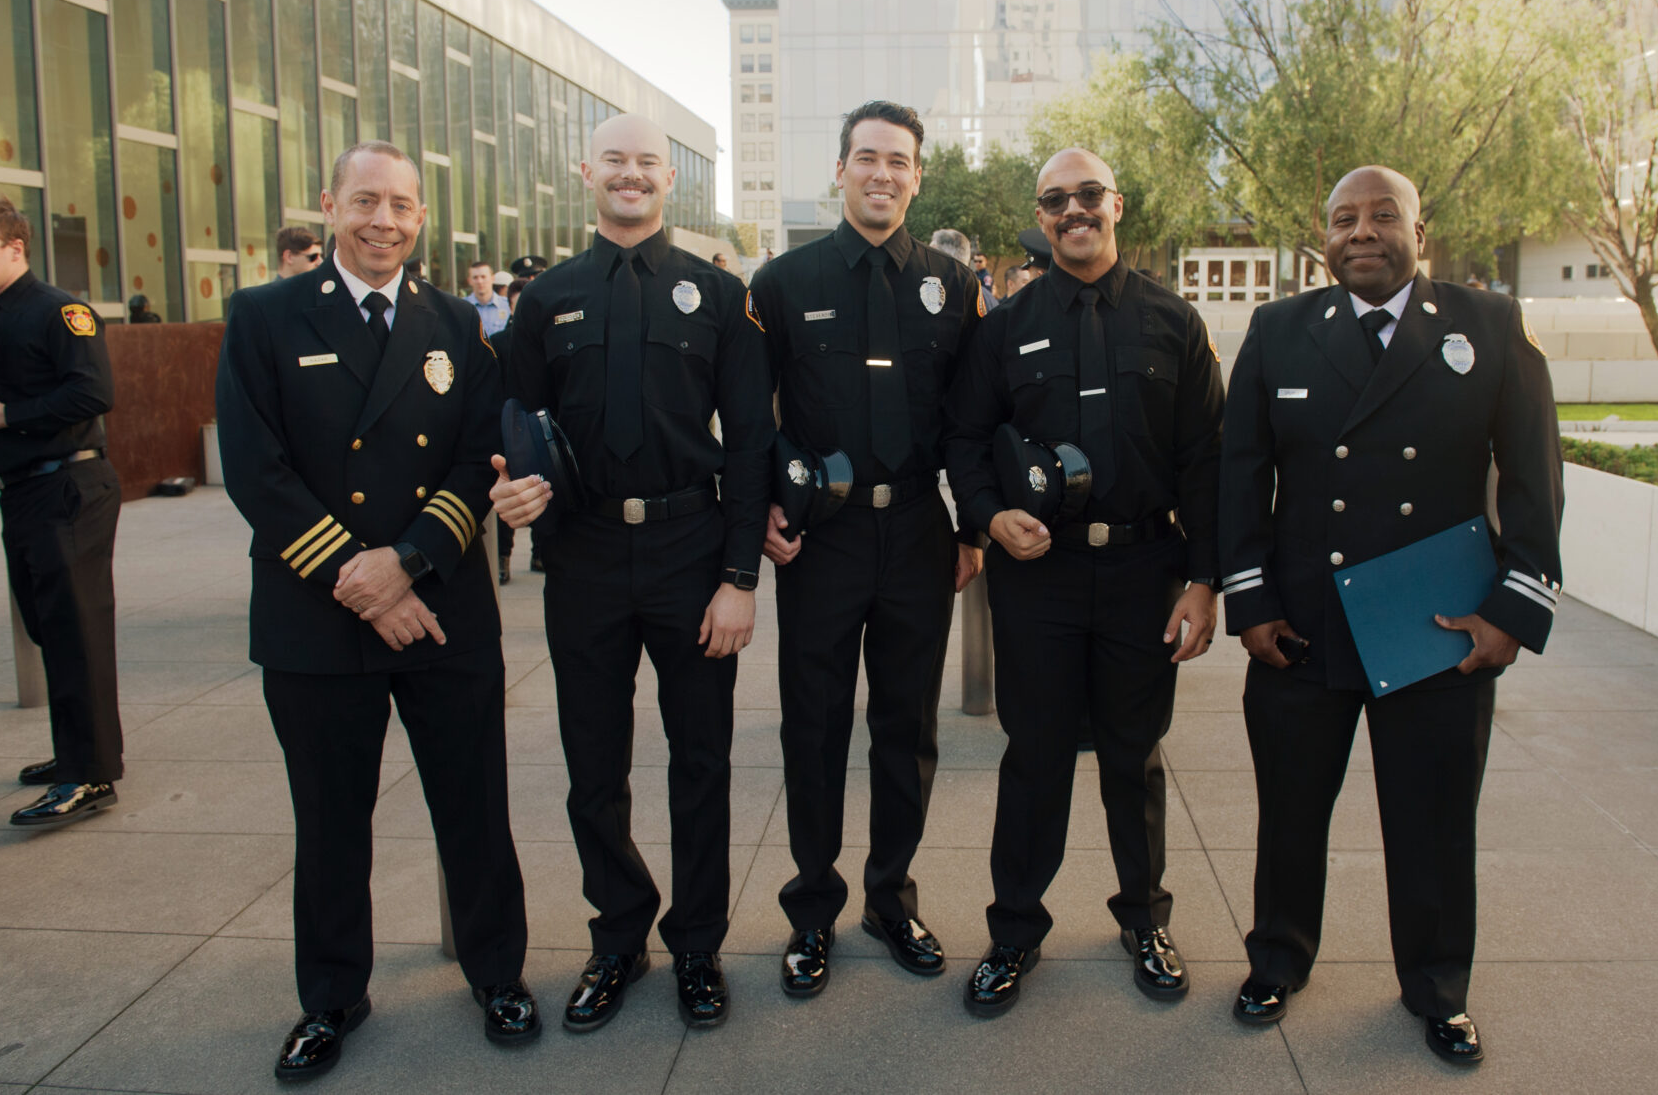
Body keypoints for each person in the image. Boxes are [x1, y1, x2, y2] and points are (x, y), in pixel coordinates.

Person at [1218, 166, 1562, 1067]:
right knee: (1290, 812)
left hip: (1437, 627)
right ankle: (1277, 960)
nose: (1360, 231)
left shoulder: (1487, 325)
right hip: (1303, 625)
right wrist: (1249, 602)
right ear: (1321, 238)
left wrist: (1510, 615)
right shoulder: (1278, 329)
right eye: (1342, 219)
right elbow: (1240, 475)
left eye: (1382, 216)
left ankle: (1439, 988)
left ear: (1422, 231)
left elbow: (1534, 481)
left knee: (1435, 820)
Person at [215, 142, 534, 1081]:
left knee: (473, 807)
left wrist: (404, 567)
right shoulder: (264, 316)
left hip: (438, 609)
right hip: (317, 614)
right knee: (329, 821)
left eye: (401, 205)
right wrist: (356, 576)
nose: (382, 220)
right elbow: (254, 469)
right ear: (329, 205)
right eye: (365, 201)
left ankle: (498, 975)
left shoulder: (455, 325)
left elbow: (480, 458)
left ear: (422, 216)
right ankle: (330, 997)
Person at [490, 113, 772, 1032]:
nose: (632, 175)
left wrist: (740, 577)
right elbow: (516, 422)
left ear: (669, 182)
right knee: (592, 768)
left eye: (648, 163)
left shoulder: (717, 294)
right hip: (585, 558)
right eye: (615, 159)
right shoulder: (547, 299)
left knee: (701, 760)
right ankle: (618, 938)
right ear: (587, 172)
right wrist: (516, 492)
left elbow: (752, 443)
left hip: (693, 552)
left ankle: (697, 947)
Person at [944, 149, 1222, 1016]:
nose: (1075, 211)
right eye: (1057, 200)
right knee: (1035, 759)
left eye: (1089, 196)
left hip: (1146, 571)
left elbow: (1208, 461)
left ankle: (1144, 919)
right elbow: (964, 441)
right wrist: (989, 518)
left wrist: (1206, 580)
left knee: (1134, 760)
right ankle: (1015, 932)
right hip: (1042, 576)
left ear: (1117, 205)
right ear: (1042, 213)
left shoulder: (1174, 321)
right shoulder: (1004, 326)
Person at [749, 100, 984, 999]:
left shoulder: (953, 286)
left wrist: (971, 527)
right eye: (867, 158)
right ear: (839, 169)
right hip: (824, 538)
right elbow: (751, 414)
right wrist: (772, 501)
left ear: (917, 176)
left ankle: (890, 898)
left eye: (900, 161)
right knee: (811, 727)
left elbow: (971, 421)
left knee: (907, 730)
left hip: (920, 531)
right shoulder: (781, 281)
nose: (882, 174)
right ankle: (812, 909)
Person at [0, 195, 124, 829]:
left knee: (76, 632)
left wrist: (6, 416)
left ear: (14, 247)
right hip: (24, 491)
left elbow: (93, 391)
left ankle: (90, 777)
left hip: (68, 488)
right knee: (48, 625)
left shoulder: (60, 311)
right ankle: (75, 753)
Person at [488, 274, 529, 586]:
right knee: (510, 493)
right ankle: (503, 557)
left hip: (541, 424)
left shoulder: (547, 335)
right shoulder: (499, 342)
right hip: (509, 425)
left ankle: (540, 551)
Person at [464, 260, 510, 337]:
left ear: (492, 278)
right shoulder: (462, 307)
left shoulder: (507, 306)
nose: (480, 281)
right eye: (475, 277)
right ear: (469, 281)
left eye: (483, 277)